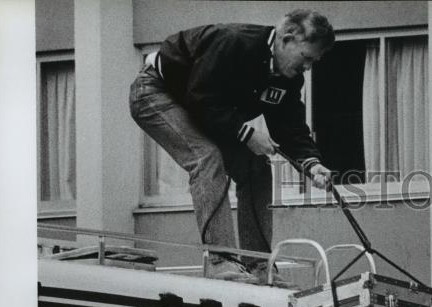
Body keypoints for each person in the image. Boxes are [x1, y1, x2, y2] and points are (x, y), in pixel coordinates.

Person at [129, 10, 335, 284]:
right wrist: (246, 133)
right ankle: (221, 261)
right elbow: (201, 97)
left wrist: (312, 163)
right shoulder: (234, 43)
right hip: (156, 92)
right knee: (206, 157)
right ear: (287, 39)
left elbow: (290, 127)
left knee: (256, 166)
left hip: (200, 108)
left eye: (313, 62)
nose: (307, 68)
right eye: (306, 58)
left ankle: (259, 266)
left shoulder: (288, 78)